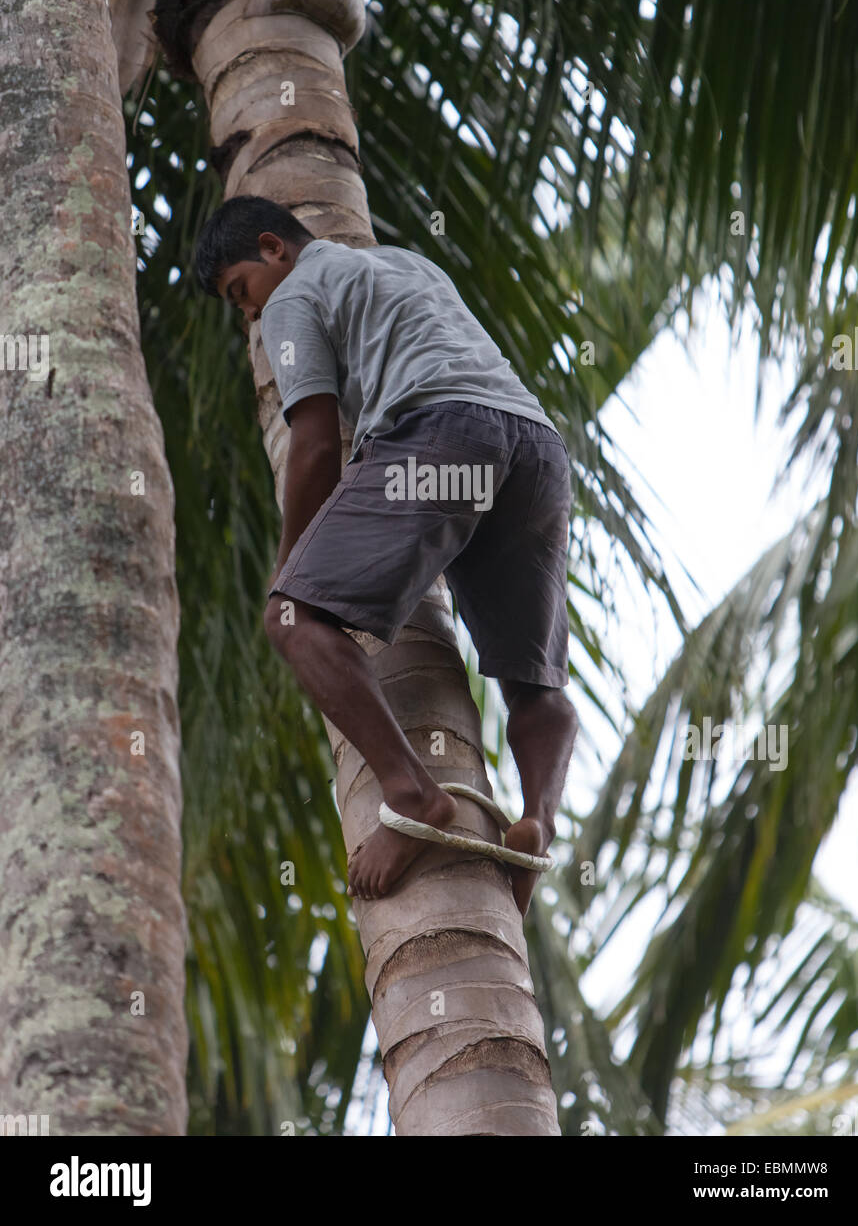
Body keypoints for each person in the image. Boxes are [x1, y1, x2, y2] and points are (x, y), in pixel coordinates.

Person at [195, 196, 578, 914]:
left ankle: (413, 794)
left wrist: (289, 576)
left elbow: (312, 443)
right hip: (535, 448)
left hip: (441, 435)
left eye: (239, 293)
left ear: (273, 247)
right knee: (536, 683)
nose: (248, 315)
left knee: (291, 621)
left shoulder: (293, 298)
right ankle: (538, 823)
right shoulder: (408, 263)